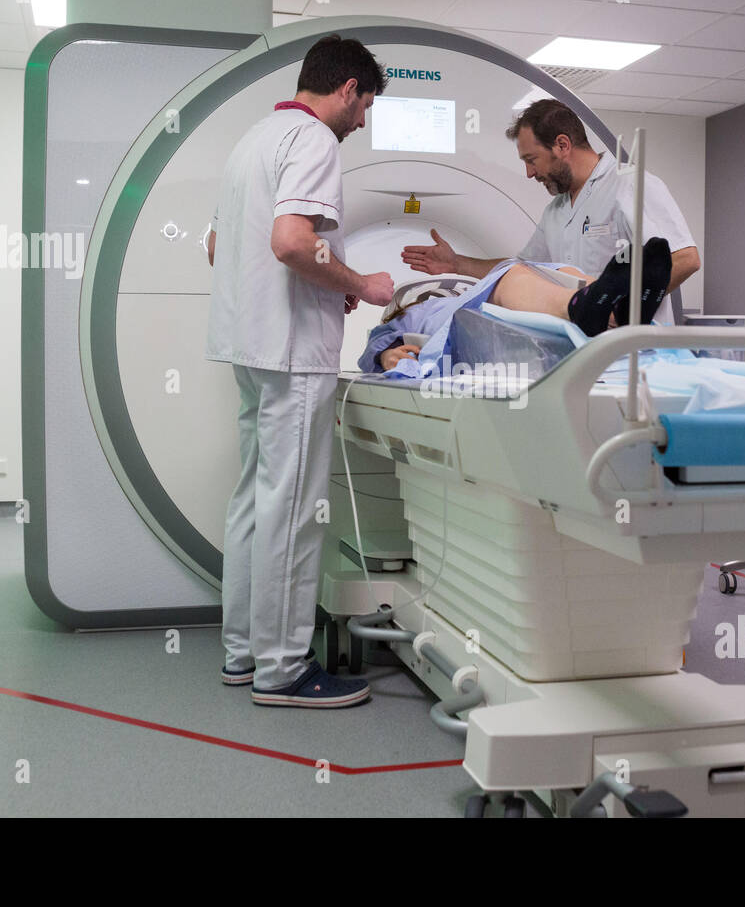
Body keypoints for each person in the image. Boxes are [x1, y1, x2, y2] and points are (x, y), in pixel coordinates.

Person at [205, 35, 393, 709]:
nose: (362, 121)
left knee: (254, 503)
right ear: (346, 89)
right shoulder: (314, 141)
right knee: (292, 510)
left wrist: (325, 279)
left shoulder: (253, 139)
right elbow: (289, 243)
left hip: (249, 346)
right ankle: (282, 670)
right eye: (365, 105)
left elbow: (218, 247)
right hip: (292, 352)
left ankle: (242, 655)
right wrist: (359, 282)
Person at [400, 99, 700, 324]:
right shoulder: (556, 211)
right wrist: (457, 263)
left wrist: (622, 311)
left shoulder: (629, 185)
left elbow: (685, 258)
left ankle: (602, 305)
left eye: (532, 159)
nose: (530, 173)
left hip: (630, 351)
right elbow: (522, 270)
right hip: (577, 348)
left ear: (562, 145)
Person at [363, 239, 672, 374]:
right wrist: (387, 353)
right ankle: (594, 307)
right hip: (463, 323)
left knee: (539, 270)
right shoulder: (412, 314)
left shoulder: (474, 290)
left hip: (501, 301)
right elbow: (372, 349)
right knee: (510, 275)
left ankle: (616, 305)